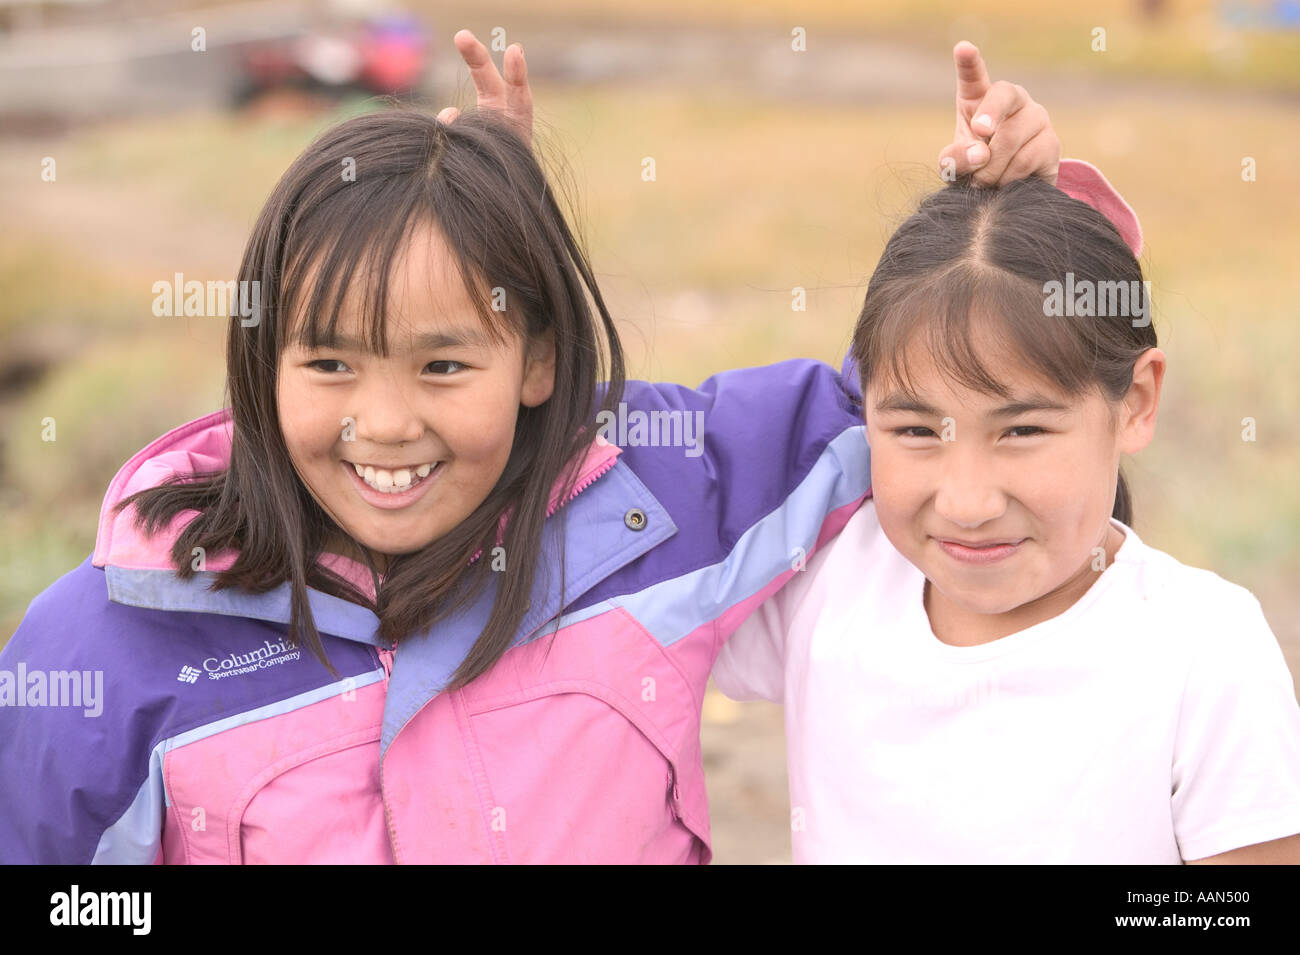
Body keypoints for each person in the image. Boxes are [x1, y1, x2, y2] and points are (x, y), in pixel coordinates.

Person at [0, 34, 1130, 863]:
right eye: (330, 363)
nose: (384, 424)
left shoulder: (658, 500)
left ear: (538, 360)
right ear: (261, 360)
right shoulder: (112, 643)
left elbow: (898, 403)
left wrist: (1015, 216)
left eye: (445, 364)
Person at [713, 174, 1300, 863]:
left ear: (1136, 401)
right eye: (915, 430)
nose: (967, 503)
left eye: (1021, 431)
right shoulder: (822, 583)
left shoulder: (1204, 650)